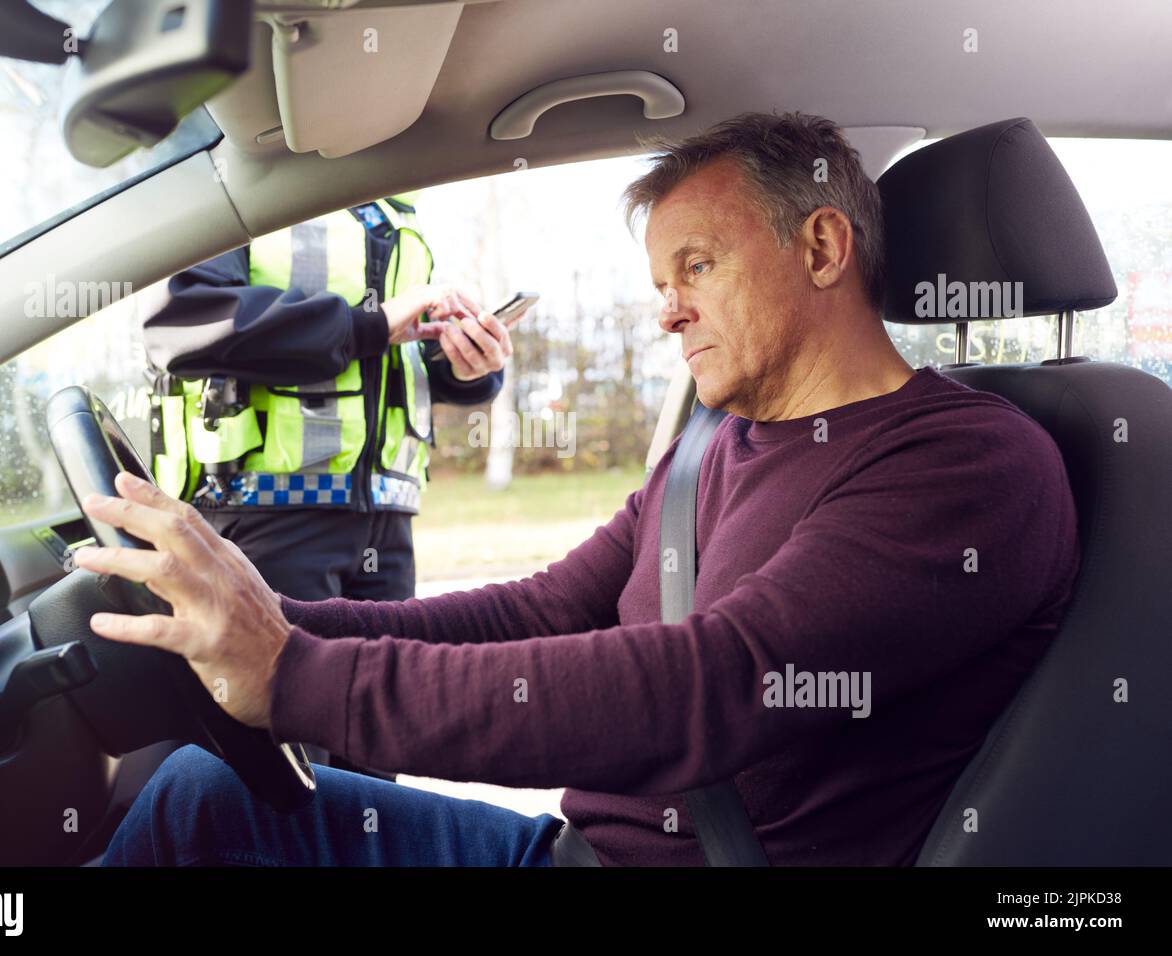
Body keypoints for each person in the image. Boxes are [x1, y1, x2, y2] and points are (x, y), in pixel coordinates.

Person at [81, 112, 1080, 867]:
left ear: (821, 248)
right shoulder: (716, 443)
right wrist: (270, 619)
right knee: (202, 797)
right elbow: (544, 607)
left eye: (697, 265)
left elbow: (716, 681)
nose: (666, 313)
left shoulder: (970, 467)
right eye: (659, 283)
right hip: (575, 851)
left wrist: (297, 676)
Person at [139, 194, 517, 775]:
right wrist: (369, 324)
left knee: (376, 755)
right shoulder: (245, 196)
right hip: (267, 520)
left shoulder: (397, 208)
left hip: (386, 524)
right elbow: (184, 321)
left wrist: (464, 371)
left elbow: (391, 361)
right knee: (277, 767)